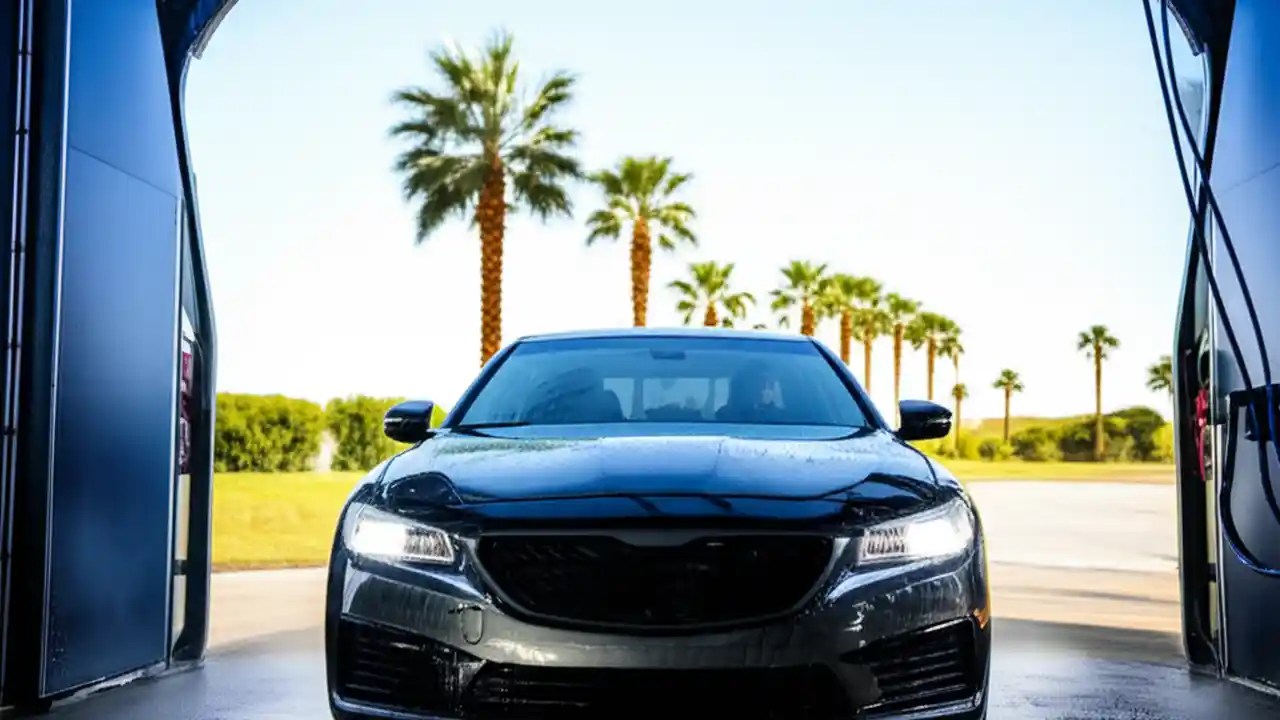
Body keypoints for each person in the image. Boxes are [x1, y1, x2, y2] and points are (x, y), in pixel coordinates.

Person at [716, 362, 783, 422]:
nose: (765, 388)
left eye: (770, 383)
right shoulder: (724, 414)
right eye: (760, 381)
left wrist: (768, 407)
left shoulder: (781, 417)